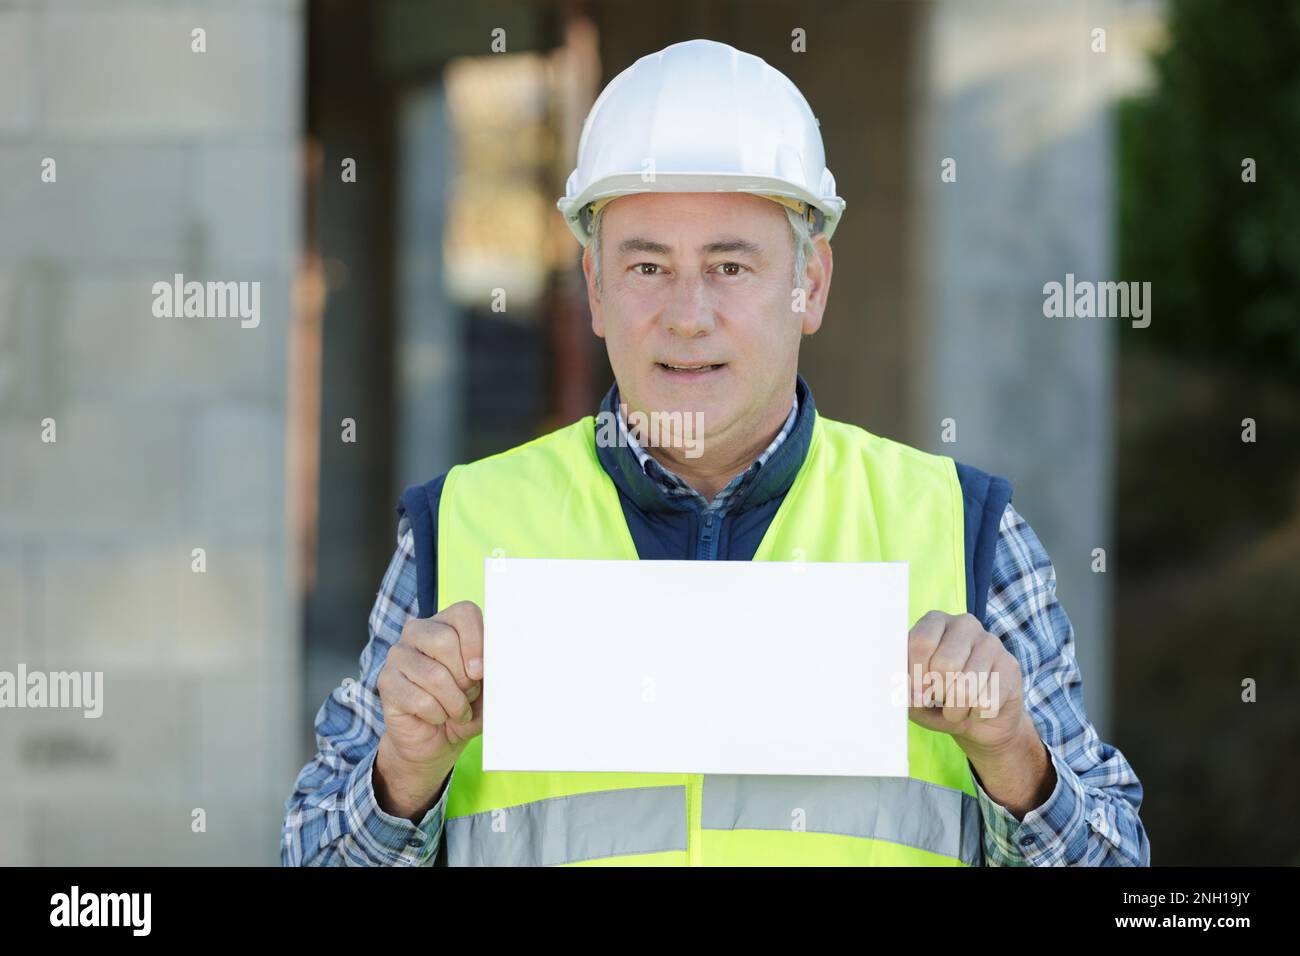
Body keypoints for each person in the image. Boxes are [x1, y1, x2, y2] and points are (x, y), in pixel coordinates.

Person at [282, 38, 1149, 867]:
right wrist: (400, 780)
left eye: (731, 267)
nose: (688, 314)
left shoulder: (965, 532)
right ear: (594, 289)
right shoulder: (458, 530)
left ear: (810, 285)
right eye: (646, 267)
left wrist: (1016, 763)